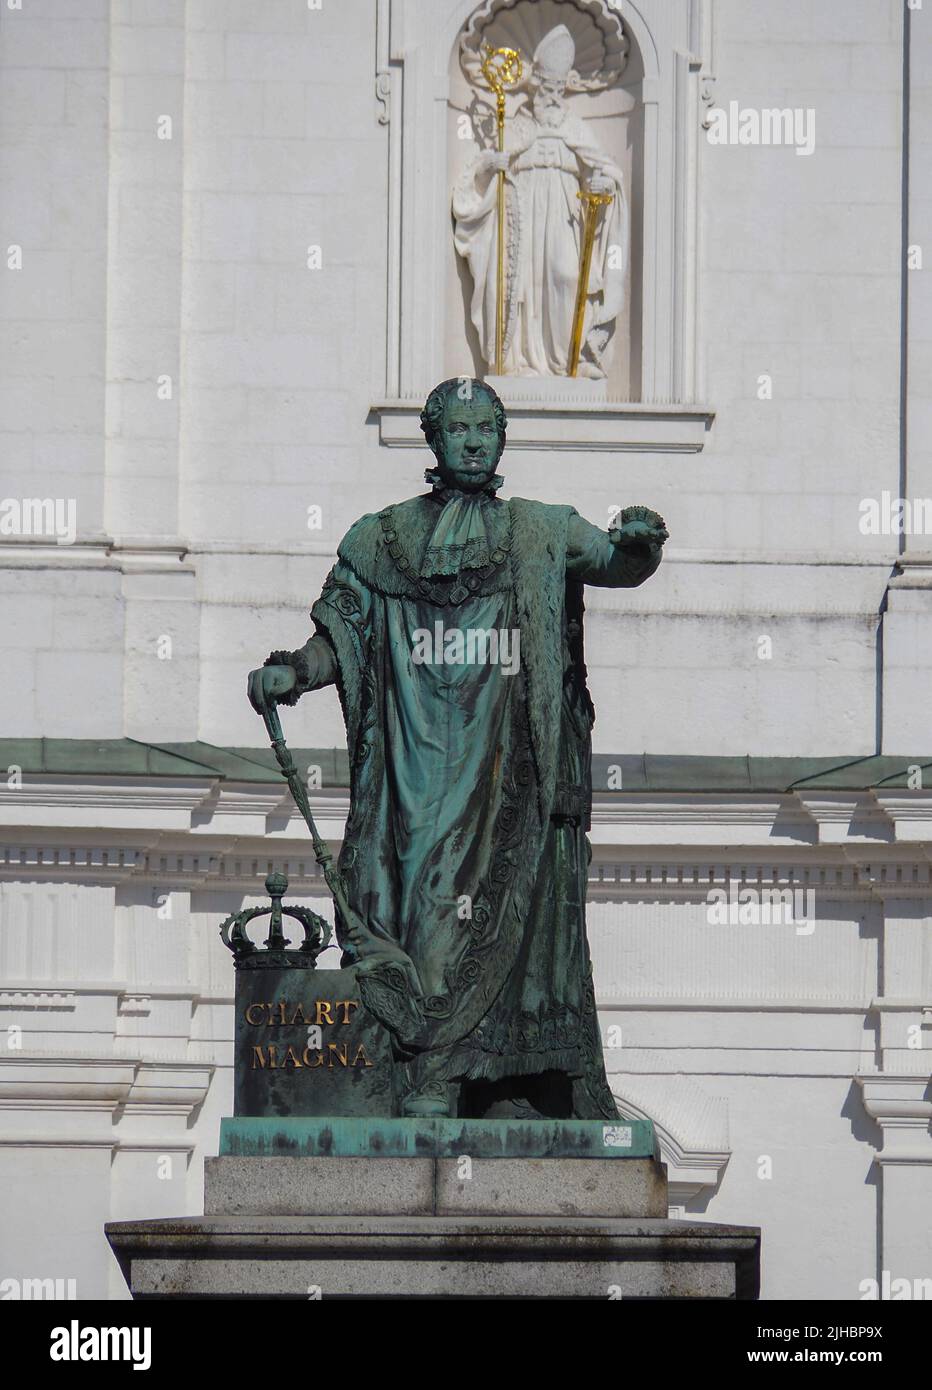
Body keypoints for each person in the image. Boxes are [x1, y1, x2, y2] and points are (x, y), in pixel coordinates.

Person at [248, 377, 667, 1119]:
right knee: (420, 910)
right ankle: (425, 1069)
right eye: (459, 428)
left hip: (509, 762)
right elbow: (341, 634)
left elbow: (615, 565)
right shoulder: (379, 540)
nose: (474, 441)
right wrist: (295, 672)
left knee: (493, 911)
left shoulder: (541, 531)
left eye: (487, 428)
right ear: (434, 440)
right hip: (415, 766)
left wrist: (639, 544)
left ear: (502, 439)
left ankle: (464, 1079)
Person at [453, 24, 627, 378]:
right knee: (522, 285)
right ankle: (517, 360)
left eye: (557, 88)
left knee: (564, 274)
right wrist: (491, 164)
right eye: (546, 87)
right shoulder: (518, 124)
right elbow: (484, 168)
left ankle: (566, 363)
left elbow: (608, 172)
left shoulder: (574, 126)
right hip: (523, 209)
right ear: (536, 85)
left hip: (564, 210)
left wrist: (603, 183)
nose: (551, 95)